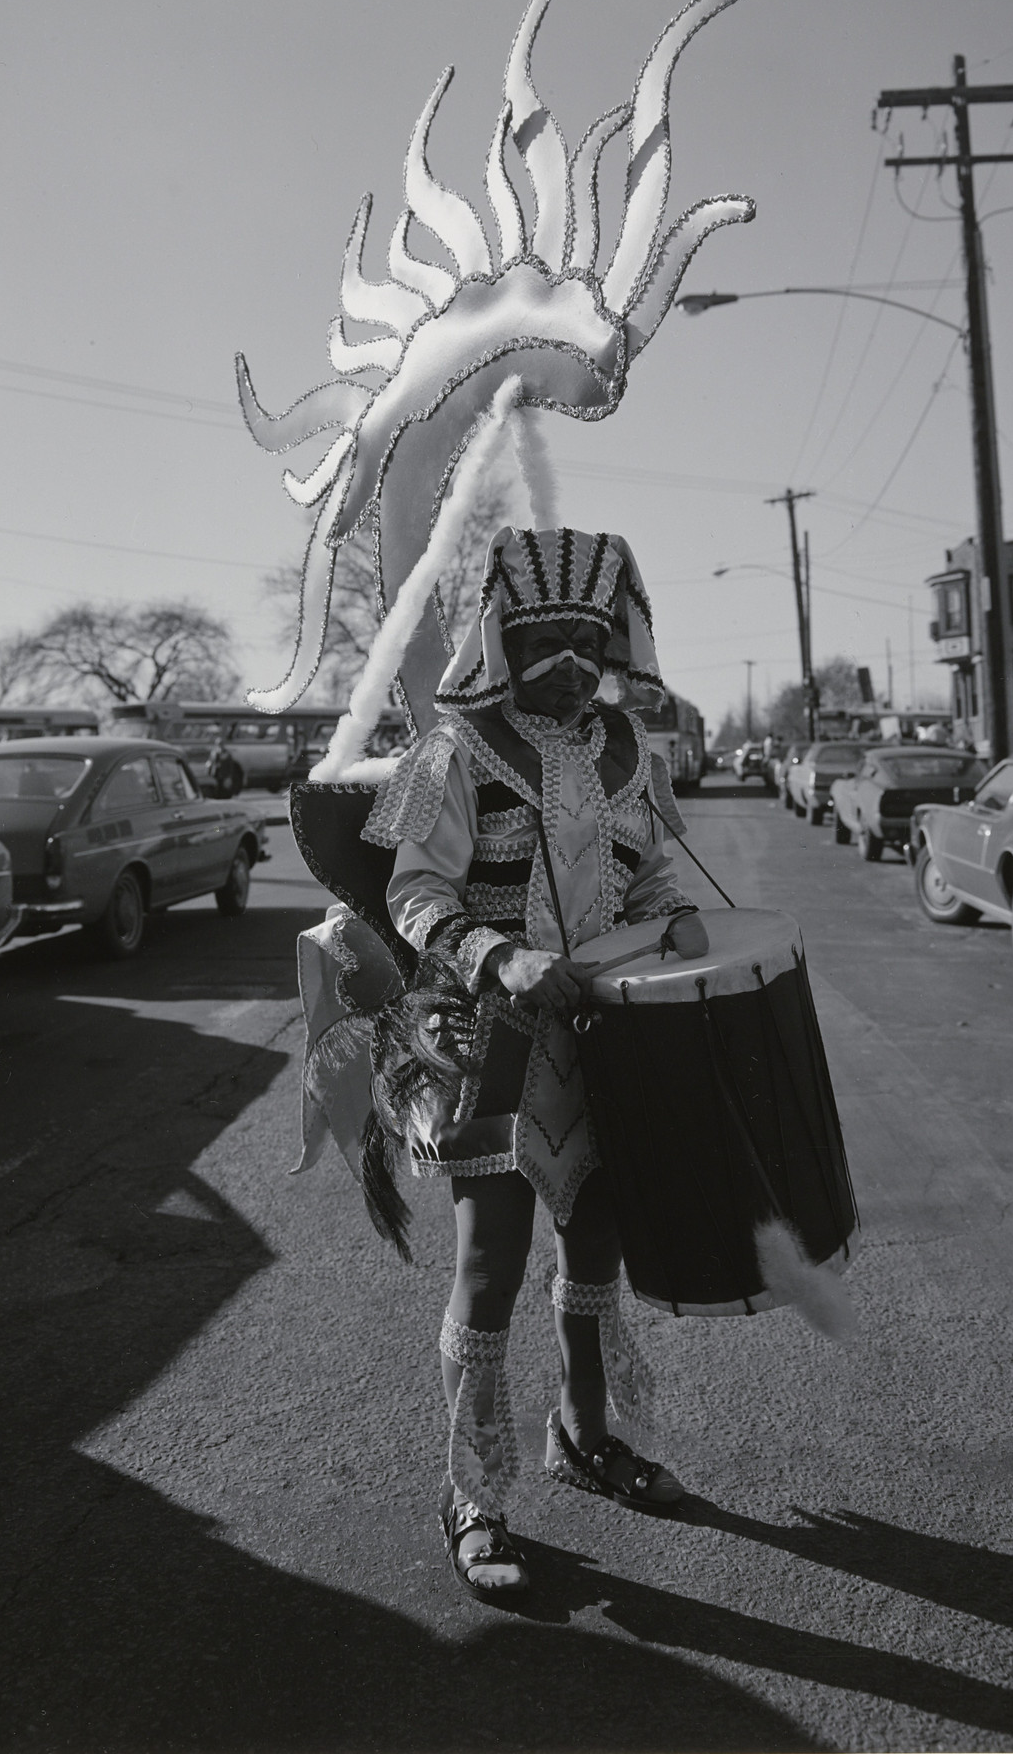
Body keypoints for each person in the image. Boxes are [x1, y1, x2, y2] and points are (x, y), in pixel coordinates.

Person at [350, 527, 695, 1603]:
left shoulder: (636, 749)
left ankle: (585, 1434)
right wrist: (498, 953)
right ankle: (473, 1492)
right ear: (500, 635)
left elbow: (652, 874)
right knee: (489, 1271)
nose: (568, 658)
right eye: (545, 635)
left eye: (585, 637)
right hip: (482, 1041)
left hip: (606, 1045)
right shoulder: (441, 750)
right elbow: (411, 894)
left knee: (595, 1252)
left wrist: (675, 920)